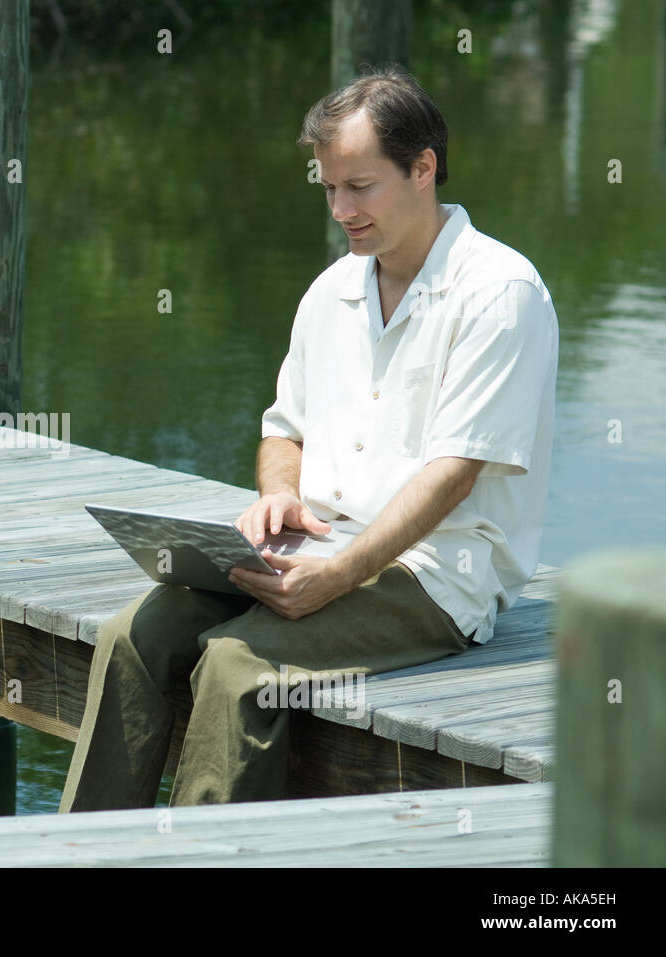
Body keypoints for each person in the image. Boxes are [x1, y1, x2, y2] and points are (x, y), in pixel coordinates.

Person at [58, 66, 559, 812]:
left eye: (360, 186)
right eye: (328, 188)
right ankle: (81, 854)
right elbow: (282, 428)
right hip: (315, 548)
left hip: (435, 574)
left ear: (422, 168)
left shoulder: (500, 293)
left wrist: (342, 572)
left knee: (234, 666)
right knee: (135, 633)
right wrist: (280, 497)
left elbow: (454, 473)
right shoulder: (334, 289)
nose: (340, 210)